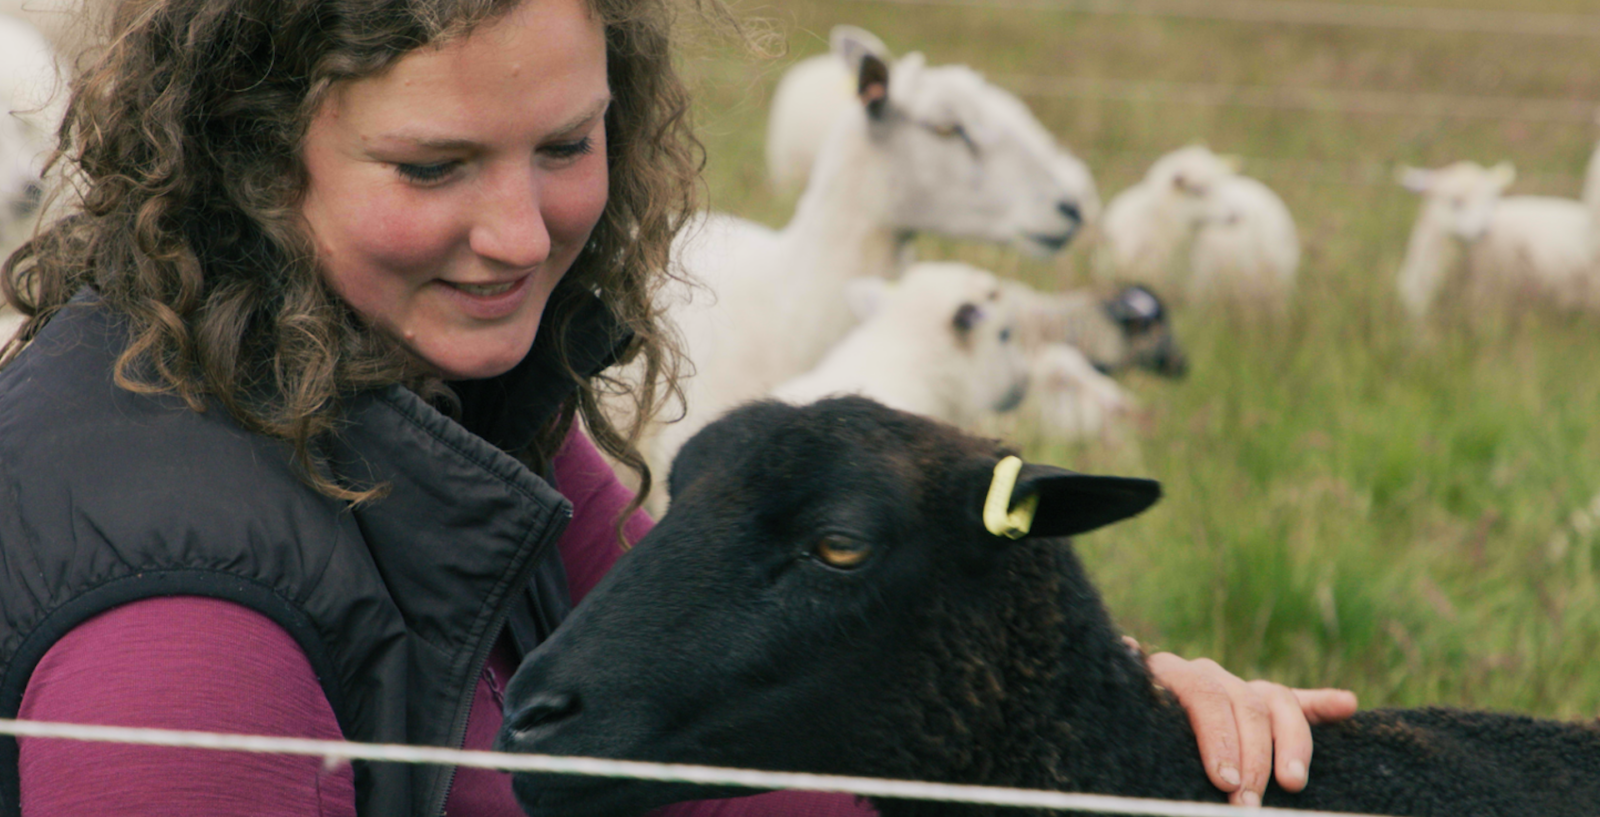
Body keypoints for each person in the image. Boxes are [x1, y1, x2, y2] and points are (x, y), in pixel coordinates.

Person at [0, 0, 1356, 814]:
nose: (526, 235)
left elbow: (735, 738)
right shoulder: (179, 650)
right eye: (433, 165)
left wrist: (1085, 724)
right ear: (249, 150)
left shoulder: (448, 409)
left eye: (566, 146)